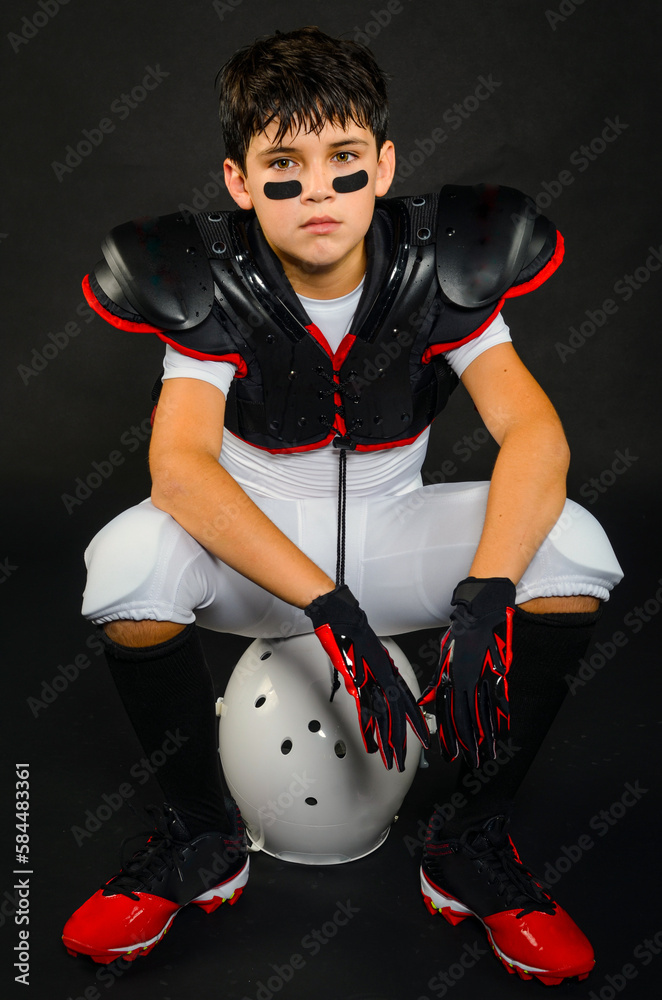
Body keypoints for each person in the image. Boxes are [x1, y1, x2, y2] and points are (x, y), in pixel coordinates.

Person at [62, 25, 623, 985]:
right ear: (239, 181)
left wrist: (488, 591)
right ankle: (201, 836)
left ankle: (467, 841)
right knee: (126, 563)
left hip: (393, 530)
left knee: (572, 548)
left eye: (343, 161)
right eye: (284, 166)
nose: (318, 190)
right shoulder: (208, 276)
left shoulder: (443, 260)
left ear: (384, 163)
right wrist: (327, 605)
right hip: (258, 553)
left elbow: (536, 437)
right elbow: (183, 472)